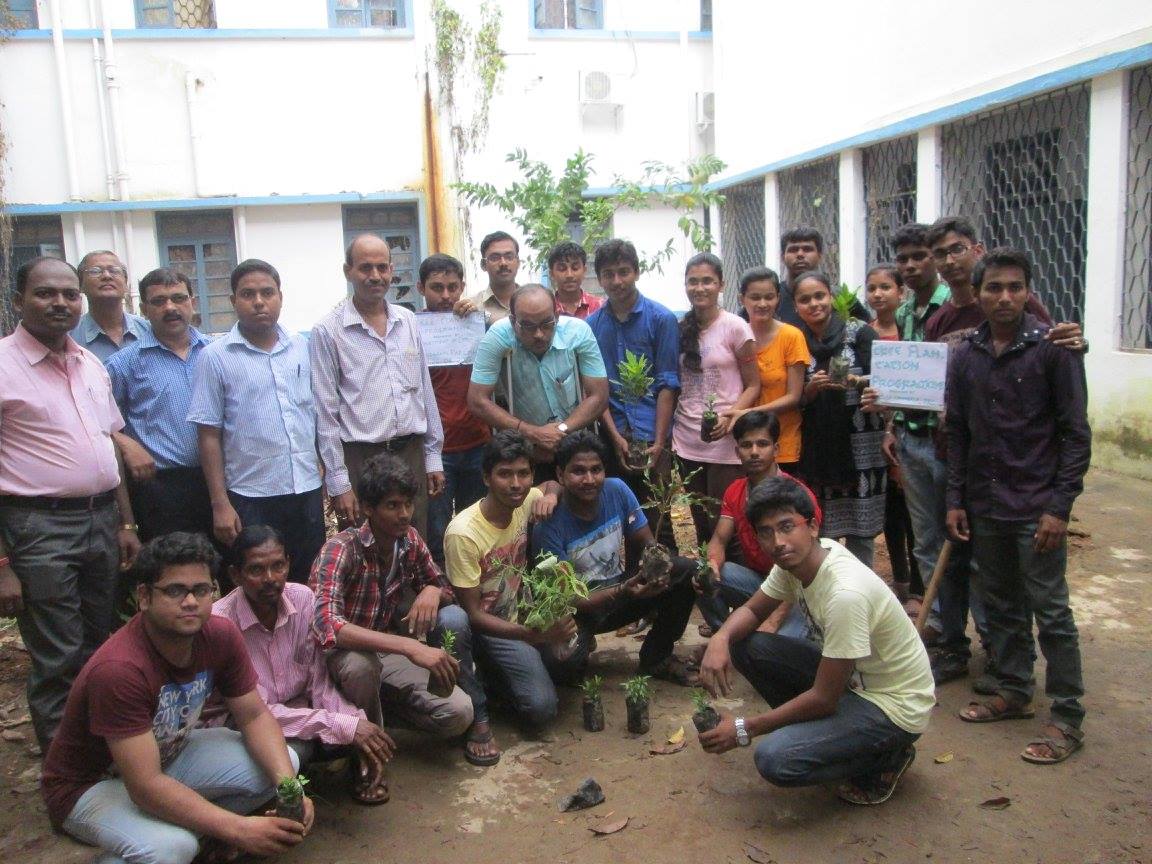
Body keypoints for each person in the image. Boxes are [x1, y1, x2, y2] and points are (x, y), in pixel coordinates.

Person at [40, 533, 314, 864]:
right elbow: (144, 786)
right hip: (89, 787)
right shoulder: (120, 669)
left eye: (200, 590)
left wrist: (292, 791)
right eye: (174, 591)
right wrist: (239, 828)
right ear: (144, 596)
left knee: (283, 764)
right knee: (172, 848)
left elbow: (254, 716)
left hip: (166, 759)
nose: (190, 602)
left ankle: (189, 831)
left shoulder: (219, 635)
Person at [699, 476, 934, 805]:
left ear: (811, 526)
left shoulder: (845, 594)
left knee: (775, 759)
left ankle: (886, 758)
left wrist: (744, 727)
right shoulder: (800, 560)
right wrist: (720, 637)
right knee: (746, 645)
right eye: (765, 532)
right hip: (855, 683)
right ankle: (827, 737)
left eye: (786, 526)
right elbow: (753, 610)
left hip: (893, 706)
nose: (778, 541)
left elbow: (824, 698)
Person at [946, 249, 1092, 765]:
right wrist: (956, 500)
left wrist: (1059, 507)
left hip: (1037, 505)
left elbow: (1076, 436)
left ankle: (1067, 716)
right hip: (986, 504)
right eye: (994, 288)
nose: (1005, 297)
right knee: (1002, 601)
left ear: (1029, 291)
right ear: (977, 293)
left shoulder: (1054, 350)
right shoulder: (966, 355)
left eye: (1015, 287)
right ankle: (1011, 689)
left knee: (1051, 611)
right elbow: (958, 433)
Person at [0, 256, 141, 752]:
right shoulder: (2, 366)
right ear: (19, 301)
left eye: (68, 294)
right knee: (56, 651)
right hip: (38, 527)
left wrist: (126, 521)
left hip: (102, 519)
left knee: (97, 640)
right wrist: (2, 564)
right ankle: (65, 768)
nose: (59, 302)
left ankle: (99, 746)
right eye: (45, 293)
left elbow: (108, 445)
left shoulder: (90, 363)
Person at [213, 526, 395, 805]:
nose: (270, 579)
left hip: (295, 707)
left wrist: (355, 721)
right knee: (298, 750)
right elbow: (254, 714)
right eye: (256, 570)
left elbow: (317, 679)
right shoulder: (222, 624)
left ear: (288, 563)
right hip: (240, 723)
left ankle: (351, 762)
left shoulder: (302, 598)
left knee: (346, 730)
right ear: (235, 575)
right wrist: (342, 725)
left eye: (278, 566)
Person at [310, 453, 474, 744]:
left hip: (384, 653)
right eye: (392, 505)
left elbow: (445, 587)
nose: (404, 514)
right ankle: (365, 748)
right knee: (361, 667)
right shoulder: (341, 550)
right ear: (368, 509)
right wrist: (409, 646)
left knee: (459, 713)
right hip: (340, 659)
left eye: (408, 504)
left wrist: (432, 590)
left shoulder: (408, 540)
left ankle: (379, 714)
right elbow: (328, 627)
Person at [188, 259, 325, 585]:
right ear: (233, 301)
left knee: (307, 579)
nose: (259, 301)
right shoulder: (215, 357)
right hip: (251, 495)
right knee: (259, 584)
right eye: (248, 294)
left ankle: (303, 637)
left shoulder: (301, 348)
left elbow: (316, 414)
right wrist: (220, 503)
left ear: (280, 296)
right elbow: (208, 434)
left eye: (267, 292)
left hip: (305, 489)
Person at [533, 431, 699, 686]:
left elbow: (646, 541)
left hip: (621, 592)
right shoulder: (549, 525)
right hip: (579, 611)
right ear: (560, 475)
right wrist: (624, 591)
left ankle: (657, 657)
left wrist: (657, 565)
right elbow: (569, 597)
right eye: (578, 471)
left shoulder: (617, 490)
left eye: (596, 469)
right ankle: (582, 644)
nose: (589, 479)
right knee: (563, 668)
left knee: (685, 570)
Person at [443, 431, 568, 766]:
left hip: (515, 618)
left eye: (524, 473)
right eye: (504, 474)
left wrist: (551, 495)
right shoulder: (464, 532)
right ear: (486, 477)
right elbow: (472, 614)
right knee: (540, 707)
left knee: (570, 659)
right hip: (482, 628)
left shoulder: (524, 500)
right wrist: (531, 636)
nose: (516, 484)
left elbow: (551, 487)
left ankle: (495, 677)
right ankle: (479, 713)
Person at [310, 234, 445, 537]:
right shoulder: (328, 331)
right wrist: (339, 482)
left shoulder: (407, 321)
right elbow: (325, 413)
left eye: (382, 268)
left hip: (409, 452)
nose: (375, 276)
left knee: (413, 543)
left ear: (392, 269)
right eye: (365, 268)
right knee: (365, 548)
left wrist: (433, 456)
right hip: (361, 458)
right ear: (348, 272)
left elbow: (424, 391)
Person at [105, 269, 214, 544]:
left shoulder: (217, 354)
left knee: (229, 570)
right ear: (143, 309)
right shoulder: (123, 364)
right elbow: (98, 421)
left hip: (220, 481)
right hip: (162, 490)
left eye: (178, 298)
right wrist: (124, 442)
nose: (170, 307)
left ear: (193, 302)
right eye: (159, 301)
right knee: (172, 573)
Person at [585, 239, 680, 538]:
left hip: (654, 433)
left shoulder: (661, 319)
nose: (617, 281)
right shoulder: (591, 325)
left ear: (637, 272)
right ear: (599, 279)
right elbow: (595, 390)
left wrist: (660, 442)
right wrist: (614, 438)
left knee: (659, 515)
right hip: (613, 433)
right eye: (609, 274)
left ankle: (667, 577)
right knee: (619, 515)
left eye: (624, 272)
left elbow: (667, 384)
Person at [696, 411, 822, 636]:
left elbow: (806, 566)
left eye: (762, 444)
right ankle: (729, 640)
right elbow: (719, 540)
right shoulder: (735, 491)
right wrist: (711, 565)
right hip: (760, 583)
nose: (754, 452)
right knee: (701, 573)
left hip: (798, 590)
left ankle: (751, 641)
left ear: (775, 450)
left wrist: (773, 621)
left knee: (782, 647)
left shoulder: (799, 496)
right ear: (737, 451)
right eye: (746, 445)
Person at [467, 284, 609, 481]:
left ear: (557, 317)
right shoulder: (498, 336)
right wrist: (532, 433)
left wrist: (559, 431)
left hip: (575, 441)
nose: (538, 334)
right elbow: (477, 400)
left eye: (546, 324)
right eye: (528, 326)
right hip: (526, 447)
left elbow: (599, 396)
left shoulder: (578, 332)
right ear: (512, 321)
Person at [793, 270, 886, 568]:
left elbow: (885, 381)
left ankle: (862, 593)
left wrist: (854, 382)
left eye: (819, 296)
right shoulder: (797, 340)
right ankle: (829, 592)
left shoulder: (859, 333)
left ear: (831, 298)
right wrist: (811, 389)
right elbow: (796, 396)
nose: (814, 304)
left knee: (861, 531)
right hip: (818, 450)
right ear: (796, 306)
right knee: (823, 529)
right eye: (804, 300)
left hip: (860, 446)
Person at [673, 253, 761, 544]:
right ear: (685, 285)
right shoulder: (678, 328)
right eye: (693, 282)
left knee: (725, 520)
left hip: (725, 439)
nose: (700, 288)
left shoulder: (736, 327)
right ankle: (705, 581)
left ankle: (731, 583)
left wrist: (731, 415)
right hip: (687, 439)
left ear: (721, 284)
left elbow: (753, 385)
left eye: (707, 281)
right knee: (699, 521)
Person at [416, 253, 491, 566]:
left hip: (478, 441)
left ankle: (476, 587)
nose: (446, 296)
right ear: (421, 288)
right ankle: (440, 589)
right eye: (437, 288)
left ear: (462, 286)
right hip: (436, 449)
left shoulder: (476, 321)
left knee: (476, 522)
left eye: (452, 287)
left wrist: (481, 316)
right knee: (436, 527)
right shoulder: (413, 327)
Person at [864, 264, 923, 610]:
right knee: (889, 515)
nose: (878, 294)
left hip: (905, 432)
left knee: (912, 510)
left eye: (886, 287)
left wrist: (894, 428)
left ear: (902, 292)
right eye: (872, 288)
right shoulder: (863, 333)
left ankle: (917, 587)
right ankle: (899, 579)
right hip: (871, 436)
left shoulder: (910, 333)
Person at [720, 267, 809, 473]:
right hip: (743, 444)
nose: (762, 304)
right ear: (742, 299)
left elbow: (793, 396)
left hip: (781, 442)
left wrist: (747, 412)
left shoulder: (791, 337)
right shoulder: (735, 334)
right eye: (755, 297)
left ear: (778, 298)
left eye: (769, 297)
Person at [773, 228, 868, 326]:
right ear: (782, 257)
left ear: (820, 255)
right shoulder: (773, 298)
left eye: (807, 249)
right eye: (793, 250)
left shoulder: (840, 297)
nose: (800, 254)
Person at [69, 250, 150, 362]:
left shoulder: (149, 331)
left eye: (114, 271)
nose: (107, 276)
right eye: (95, 271)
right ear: (80, 285)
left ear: (126, 284)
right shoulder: (69, 337)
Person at [469, 231, 521, 323]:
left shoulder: (536, 302)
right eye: (494, 258)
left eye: (509, 257)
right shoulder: (471, 307)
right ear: (483, 265)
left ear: (518, 262)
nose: (503, 263)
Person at [549, 241, 602, 319]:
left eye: (575, 268)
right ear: (552, 274)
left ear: (584, 271)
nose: (569, 275)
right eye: (562, 269)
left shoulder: (600, 307)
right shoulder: (545, 309)